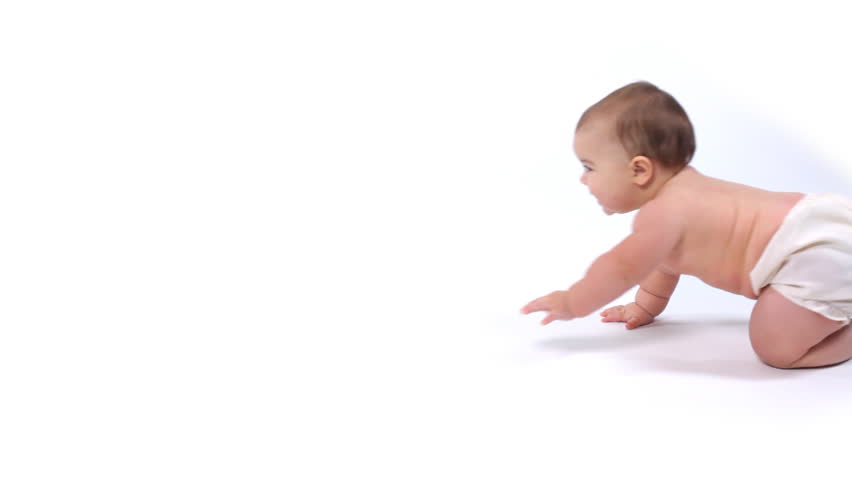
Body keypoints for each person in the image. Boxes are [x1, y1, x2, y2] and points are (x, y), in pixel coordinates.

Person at [519, 81, 852, 369]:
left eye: (590, 167)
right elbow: (663, 264)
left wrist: (573, 301)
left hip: (806, 255)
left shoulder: (664, 214)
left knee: (775, 345)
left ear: (639, 170)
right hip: (811, 223)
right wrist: (644, 306)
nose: (582, 179)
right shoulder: (680, 198)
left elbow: (621, 268)